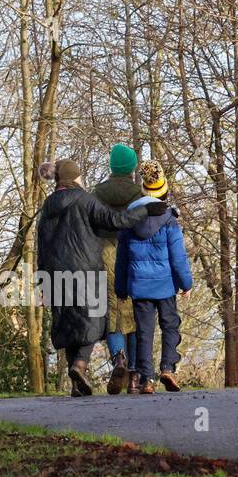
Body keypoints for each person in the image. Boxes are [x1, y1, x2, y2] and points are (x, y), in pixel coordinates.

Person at [37, 159, 165, 396]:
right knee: (94, 321)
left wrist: (41, 281)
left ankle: (76, 383)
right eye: (79, 176)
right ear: (74, 178)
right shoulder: (85, 200)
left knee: (68, 324)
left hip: (54, 271)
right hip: (85, 268)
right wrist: (145, 210)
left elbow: (41, 243)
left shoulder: (48, 205)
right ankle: (80, 365)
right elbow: (115, 220)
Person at [114, 161, 192, 394]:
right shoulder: (169, 220)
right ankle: (167, 367)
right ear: (164, 190)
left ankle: (147, 380)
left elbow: (122, 259)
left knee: (144, 332)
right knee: (170, 325)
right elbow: (178, 257)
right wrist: (185, 283)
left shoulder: (129, 220)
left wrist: (121, 288)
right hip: (165, 285)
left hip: (140, 287)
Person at [92, 143, 143, 394]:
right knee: (133, 309)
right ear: (131, 167)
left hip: (104, 251)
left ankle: (118, 357)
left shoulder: (97, 192)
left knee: (111, 307)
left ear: (112, 165)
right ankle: (134, 375)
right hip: (132, 251)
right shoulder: (138, 193)